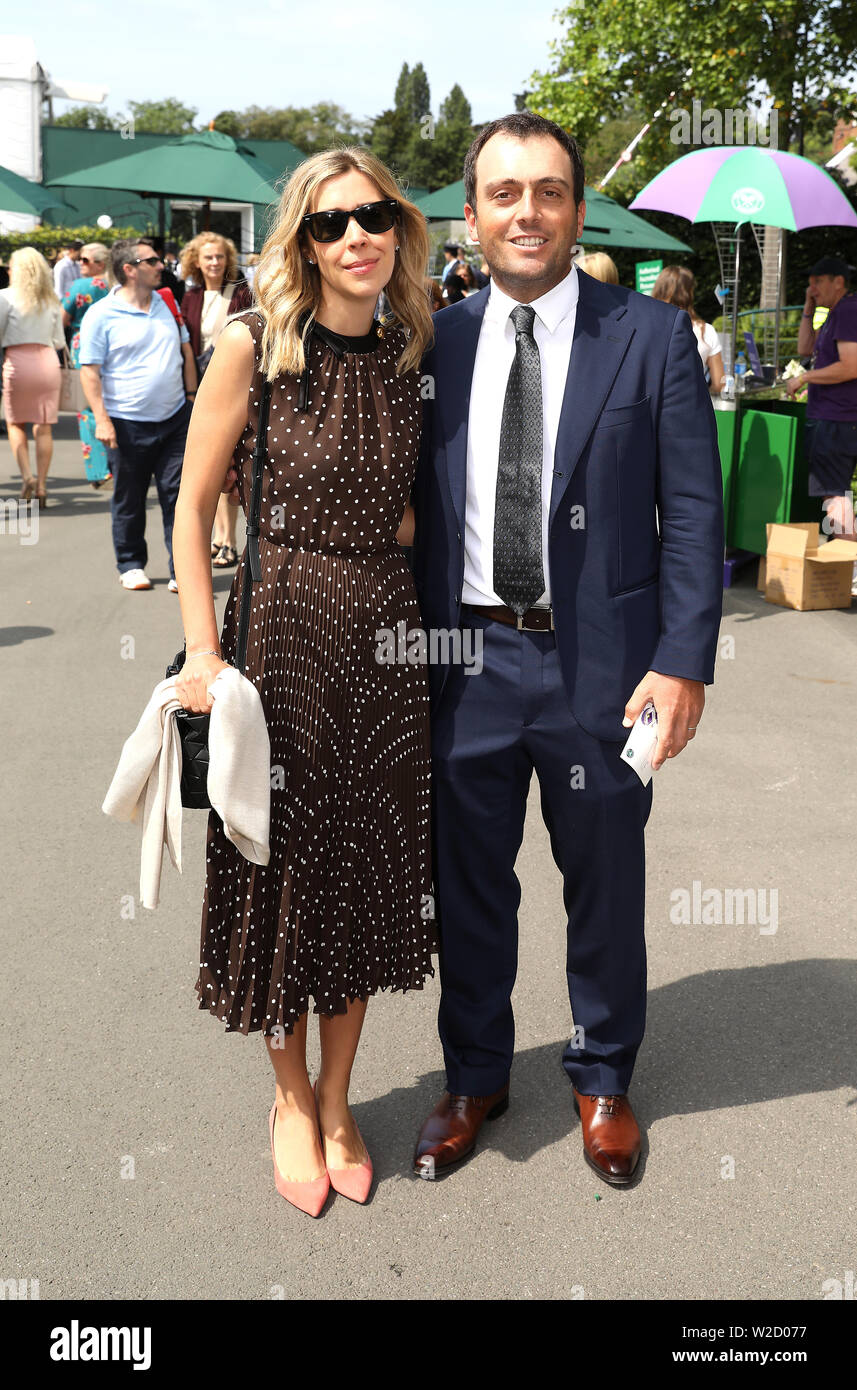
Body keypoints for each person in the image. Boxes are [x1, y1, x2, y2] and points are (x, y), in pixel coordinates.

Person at [410, 112, 724, 1187]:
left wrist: (682, 660)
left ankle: (600, 1075)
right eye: (504, 193)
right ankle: (476, 1074)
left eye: (547, 190)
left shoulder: (648, 336)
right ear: (473, 213)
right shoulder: (434, 342)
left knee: (602, 881)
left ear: (576, 208)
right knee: (468, 889)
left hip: (606, 668)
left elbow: (690, 511)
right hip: (465, 664)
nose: (526, 211)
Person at [173, 147, 436, 1217]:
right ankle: (288, 1098)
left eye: (373, 215)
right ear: (301, 241)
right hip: (277, 644)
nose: (356, 237)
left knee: (366, 874)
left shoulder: (410, 350)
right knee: (276, 878)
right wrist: (201, 650)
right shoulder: (253, 345)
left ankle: (338, 1099)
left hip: (387, 650)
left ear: (400, 229)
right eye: (331, 224)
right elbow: (189, 511)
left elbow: (413, 503)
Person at [78, 238, 198, 592]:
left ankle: (182, 569)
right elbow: (89, 371)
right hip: (126, 422)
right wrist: (101, 419)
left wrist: (191, 399)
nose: (161, 265)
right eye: (152, 260)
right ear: (129, 269)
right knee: (129, 497)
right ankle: (131, 563)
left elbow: (185, 350)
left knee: (177, 496)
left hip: (175, 418)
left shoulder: (166, 302)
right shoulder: (100, 315)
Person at [179, 233, 253, 568]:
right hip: (199, 386)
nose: (214, 263)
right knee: (209, 465)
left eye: (220, 257)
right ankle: (217, 536)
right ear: (196, 260)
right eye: (208, 257)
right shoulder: (191, 296)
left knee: (230, 464)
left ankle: (229, 540)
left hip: (233, 386)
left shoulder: (240, 292)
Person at [786, 255, 857, 561]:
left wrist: (805, 376)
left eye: (817, 282)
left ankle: (850, 566)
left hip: (836, 419)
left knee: (836, 496)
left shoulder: (848, 310)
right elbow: (804, 348)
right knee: (837, 495)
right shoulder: (834, 312)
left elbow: (851, 366)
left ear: (837, 282)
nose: (812, 288)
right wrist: (808, 304)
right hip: (832, 419)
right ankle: (846, 561)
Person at [0, 246, 65, 506]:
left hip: (18, 361)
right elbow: (59, 341)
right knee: (44, 425)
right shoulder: (51, 300)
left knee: (16, 423)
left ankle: (27, 475)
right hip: (48, 361)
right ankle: (42, 485)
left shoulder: (5, 296)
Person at [60, 242, 113, 488]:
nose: (80, 263)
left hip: (85, 345)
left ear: (100, 263)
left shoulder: (81, 286)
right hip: (114, 344)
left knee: (88, 406)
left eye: (85, 260)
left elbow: (63, 317)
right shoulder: (116, 284)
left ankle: (100, 469)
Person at [651, 265, 724, 394]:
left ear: (658, 289)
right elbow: (719, 384)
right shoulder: (707, 332)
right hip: (688, 405)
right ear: (689, 293)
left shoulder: (645, 325)